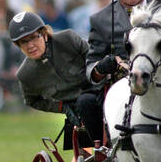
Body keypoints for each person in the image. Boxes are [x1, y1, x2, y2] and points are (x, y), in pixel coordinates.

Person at [12, 10, 103, 149]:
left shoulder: (68, 39)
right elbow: (32, 101)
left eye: (34, 38)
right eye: (23, 42)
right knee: (84, 103)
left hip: (100, 91)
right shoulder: (25, 75)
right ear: (18, 46)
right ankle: (99, 149)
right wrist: (60, 107)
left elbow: (93, 58)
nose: (30, 45)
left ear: (44, 35)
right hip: (77, 110)